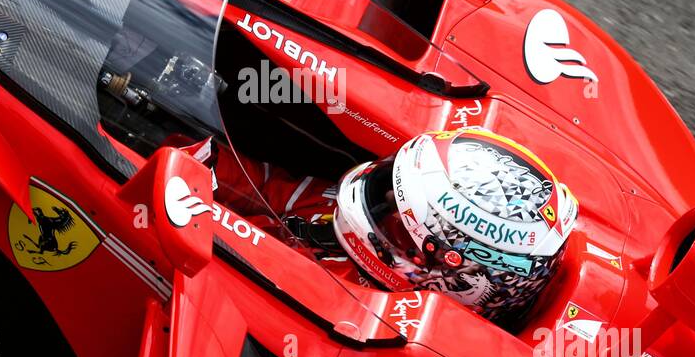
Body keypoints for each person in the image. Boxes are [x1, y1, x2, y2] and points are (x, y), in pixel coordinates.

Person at [213, 127, 578, 329]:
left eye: (400, 223)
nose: (381, 196)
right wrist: (208, 163)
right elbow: (270, 189)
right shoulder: (361, 210)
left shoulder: (353, 312)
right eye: (389, 183)